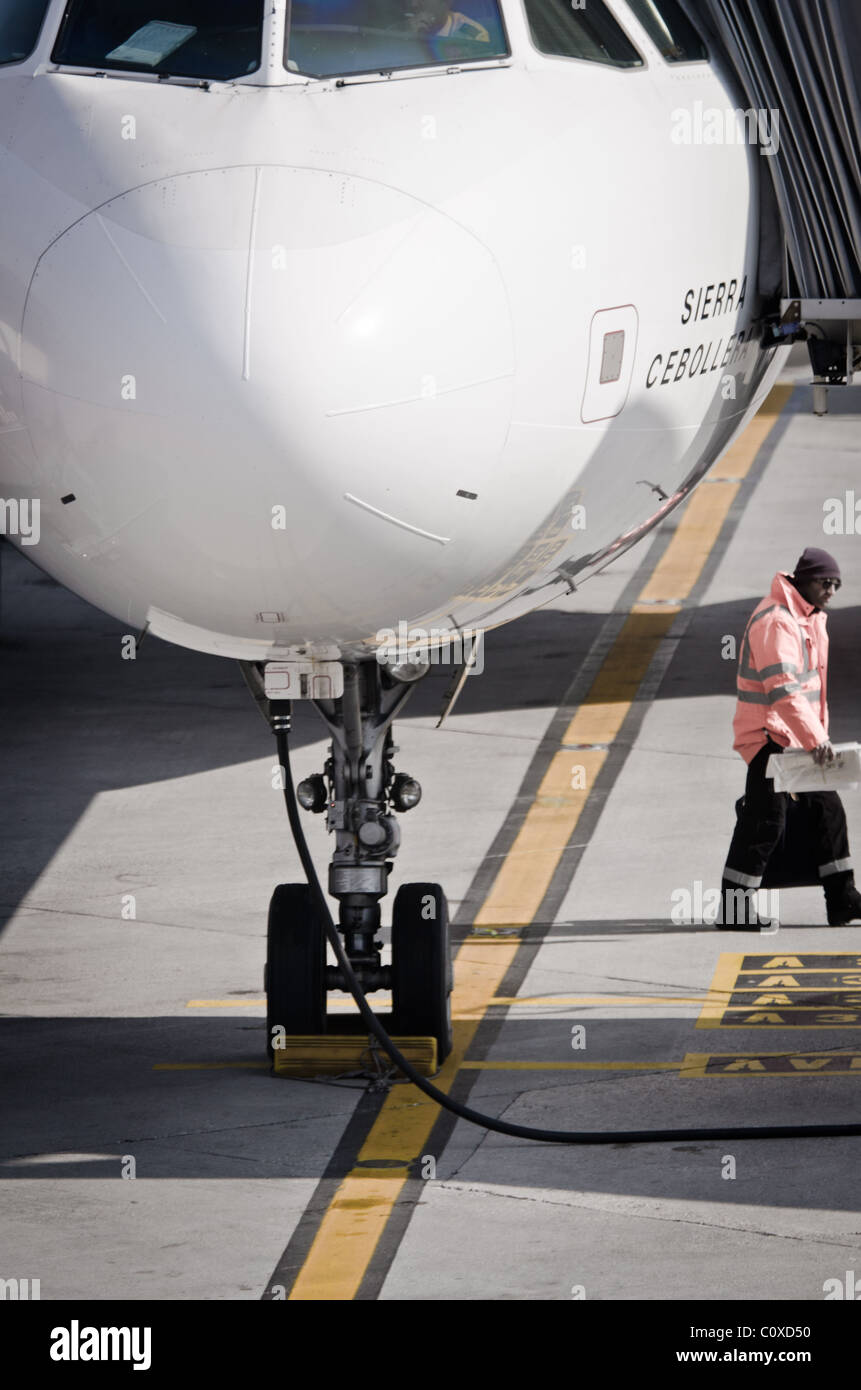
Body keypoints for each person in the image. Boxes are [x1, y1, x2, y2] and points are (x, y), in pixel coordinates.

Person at [718, 546, 861, 929]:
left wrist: (814, 737)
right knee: (764, 821)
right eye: (823, 582)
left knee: (827, 812)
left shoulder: (808, 618)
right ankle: (733, 911)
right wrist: (815, 739)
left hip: (795, 738)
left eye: (836, 584)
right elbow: (782, 688)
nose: (830, 590)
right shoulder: (777, 621)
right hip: (769, 738)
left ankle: (843, 899)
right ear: (803, 580)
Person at [404, 0, 490, 41]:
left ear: (446, 2)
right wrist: (408, 37)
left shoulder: (473, 36)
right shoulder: (403, 28)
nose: (414, 4)